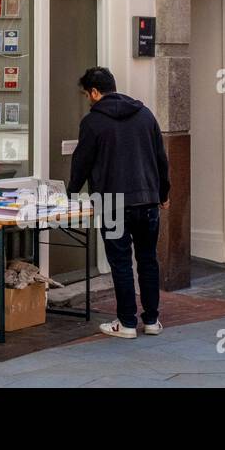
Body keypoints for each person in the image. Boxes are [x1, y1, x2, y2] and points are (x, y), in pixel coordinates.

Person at [68, 67, 171, 340]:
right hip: (148, 201)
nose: (87, 99)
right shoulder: (145, 115)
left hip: (112, 204)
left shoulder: (92, 122)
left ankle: (126, 322)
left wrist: (70, 193)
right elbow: (161, 159)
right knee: (148, 260)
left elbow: (82, 163)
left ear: (94, 92)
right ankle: (151, 320)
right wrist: (163, 194)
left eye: (86, 94)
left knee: (121, 262)